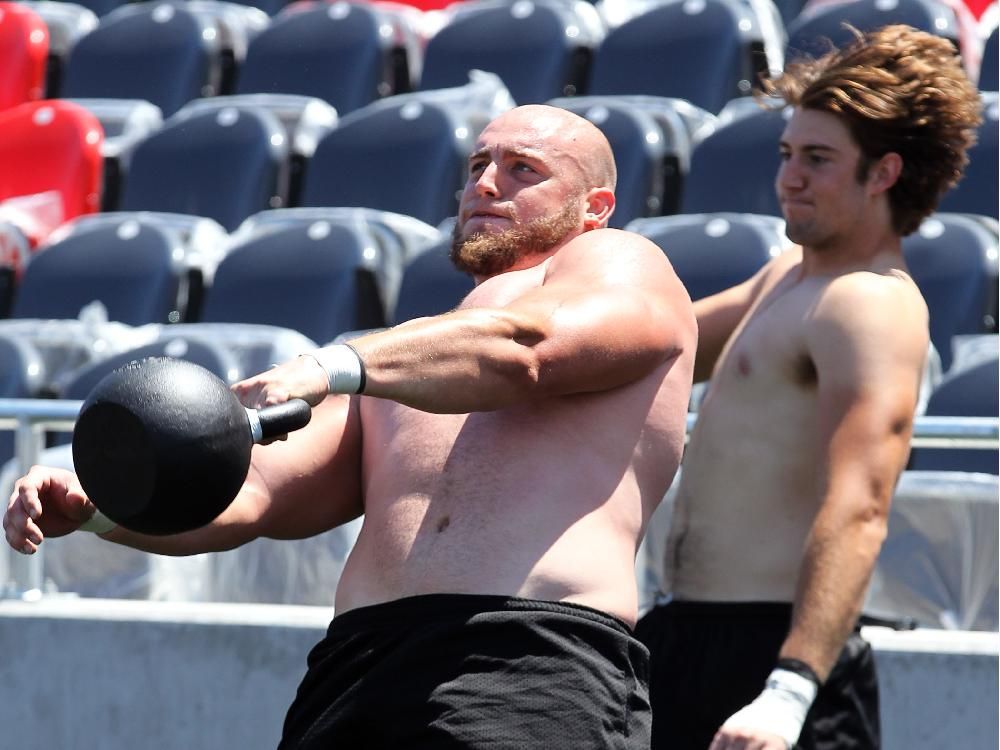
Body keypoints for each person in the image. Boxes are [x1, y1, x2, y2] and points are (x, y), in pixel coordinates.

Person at [3, 104, 698, 748]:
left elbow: (527, 350)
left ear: (594, 208)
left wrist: (330, 364)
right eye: (476, 166)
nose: (486, 184)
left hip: (526, 659)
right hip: (356, 669)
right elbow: (253, 496)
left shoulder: (623, 265)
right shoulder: (405, 353)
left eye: (523, 168)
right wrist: (104, 509)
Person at [634, 24, 983, 750]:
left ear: (883, 173)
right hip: (684, 638)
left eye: (818, 160)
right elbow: (652, 349)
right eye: (788, 154)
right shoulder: (783, 278)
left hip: (773, 660)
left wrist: (789, 690)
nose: (788, 178)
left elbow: (860, 505)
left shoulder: (870, 304)